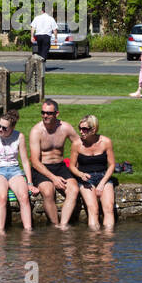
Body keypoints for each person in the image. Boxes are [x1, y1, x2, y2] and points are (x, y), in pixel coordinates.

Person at [29, 98, 80, 229]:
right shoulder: (36, 131)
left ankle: (63, 225)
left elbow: (79, 144)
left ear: (56, 114)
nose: (45, 115)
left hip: (60, 166)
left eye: (49, 113)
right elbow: (34, 161)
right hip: (42, 167)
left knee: (74, 189)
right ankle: (55, 224)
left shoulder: (65, 128)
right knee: (47, 191)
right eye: (43, 112)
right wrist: (53, 179)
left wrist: (76, 165)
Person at [0, 110, 34, 232]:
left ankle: (28, 230)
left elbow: (25, 161)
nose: (0, 130)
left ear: (12, 127)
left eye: (4, 128)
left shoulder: (19, 136)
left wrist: (29, 183)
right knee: (2, 196)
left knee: (24, 197)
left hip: (14, 170)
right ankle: (0, 231)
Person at [68, 114, 117, 231]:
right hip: (86, 178)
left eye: (84, 129)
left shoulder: (106, 142)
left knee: (109, 208)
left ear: (93, 129)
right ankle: (93, 243)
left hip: (103, 176)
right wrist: (80, 174)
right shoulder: (77, 144)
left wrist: (102, 183)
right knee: (93, 209)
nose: (81, 132)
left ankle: (107, 242)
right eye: (79, 128)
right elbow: (72, 166)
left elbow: (112, 165)